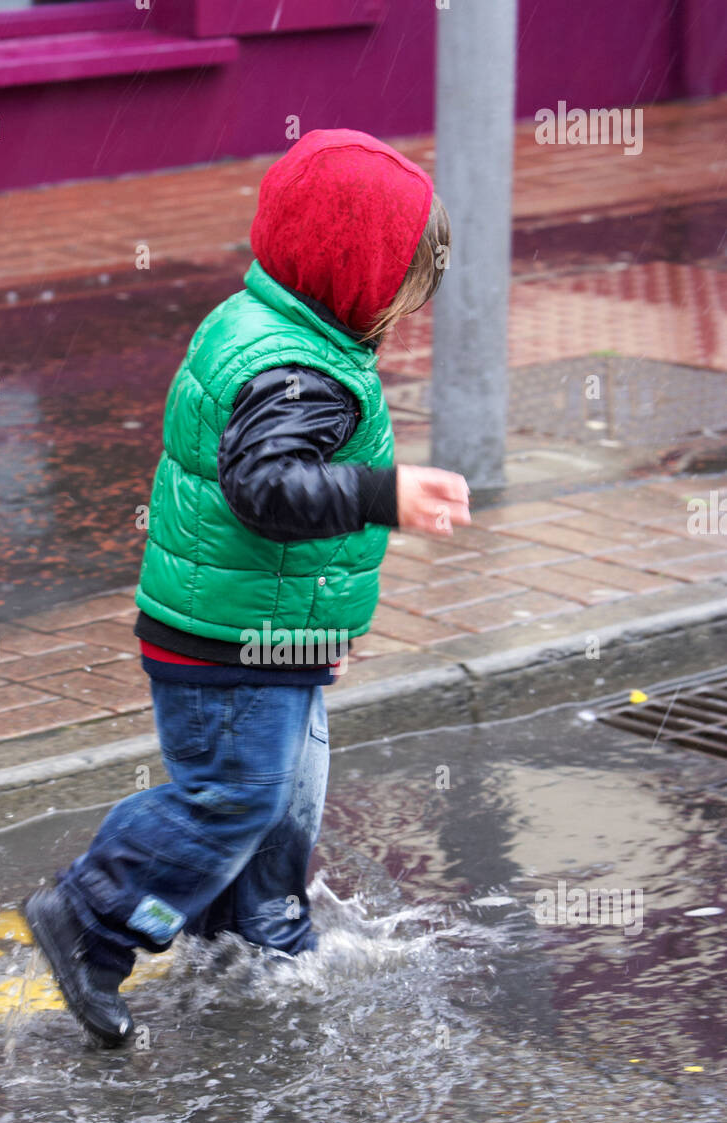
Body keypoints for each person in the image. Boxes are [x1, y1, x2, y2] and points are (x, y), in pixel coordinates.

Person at [24, 128, 471, 1046]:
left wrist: (315, 642)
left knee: (286, 794)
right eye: (401, 290)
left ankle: (260, 936)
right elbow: (265, 495)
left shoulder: (274, 325)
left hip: (262, 631)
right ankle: (94, 915)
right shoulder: (296, 372)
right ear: (353, 272)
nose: (406, 312)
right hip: (226, 638)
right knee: (234, 794)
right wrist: (386, 494)